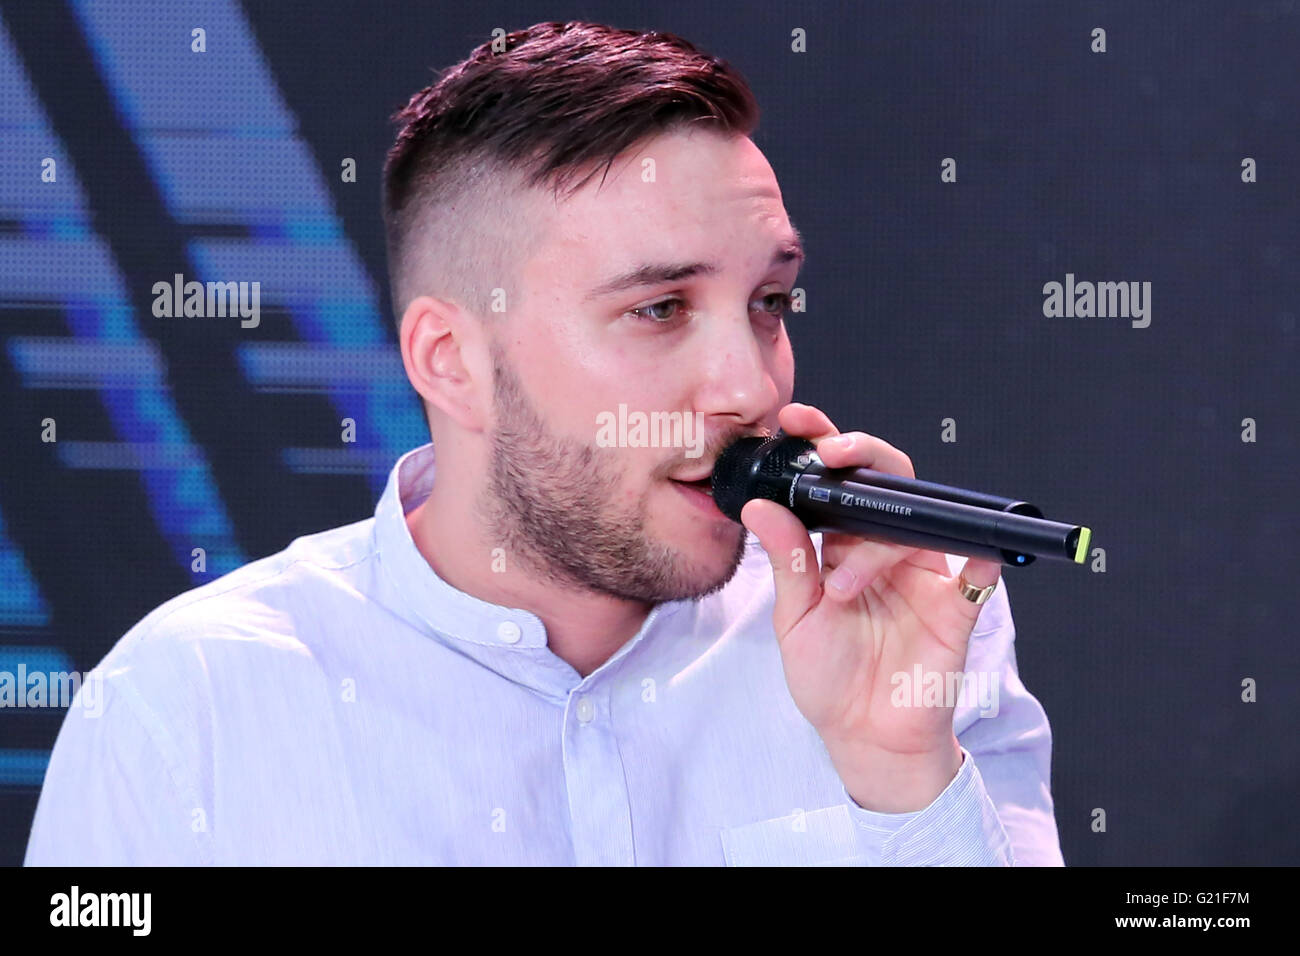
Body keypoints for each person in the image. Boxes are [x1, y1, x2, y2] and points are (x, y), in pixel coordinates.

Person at [25, 20, 1063, 866]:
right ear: (452, 361)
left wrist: (900, 782)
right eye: (659, 308)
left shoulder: (907, 619)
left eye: (769, 300)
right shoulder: (189, 704)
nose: (750, 383)